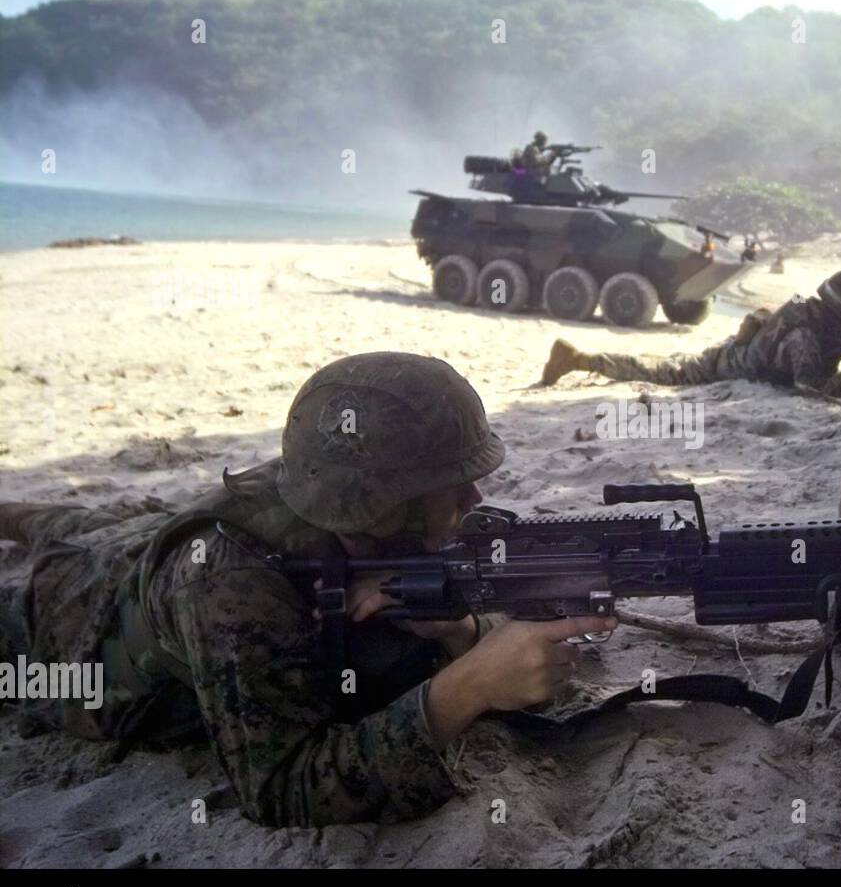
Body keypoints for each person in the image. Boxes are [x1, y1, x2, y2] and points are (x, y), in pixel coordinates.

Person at [0, 352, 615, 826]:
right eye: (451, 483)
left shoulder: (341, 496)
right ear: (381, 506)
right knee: (66, 558)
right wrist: (471, 683)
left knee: (80, 523)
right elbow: (278, 789)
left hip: (141, 532)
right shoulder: (232, 585)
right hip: (62, 627)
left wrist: (460, 631)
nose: (475, 499)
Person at [540, 268, 841, 397]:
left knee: (667, 363)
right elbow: (812, 387)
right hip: (723, 366)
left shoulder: (807, 310)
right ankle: (578, 359)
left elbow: (764, 313)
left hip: (733, 353)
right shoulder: (806, 337)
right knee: (661, 371)